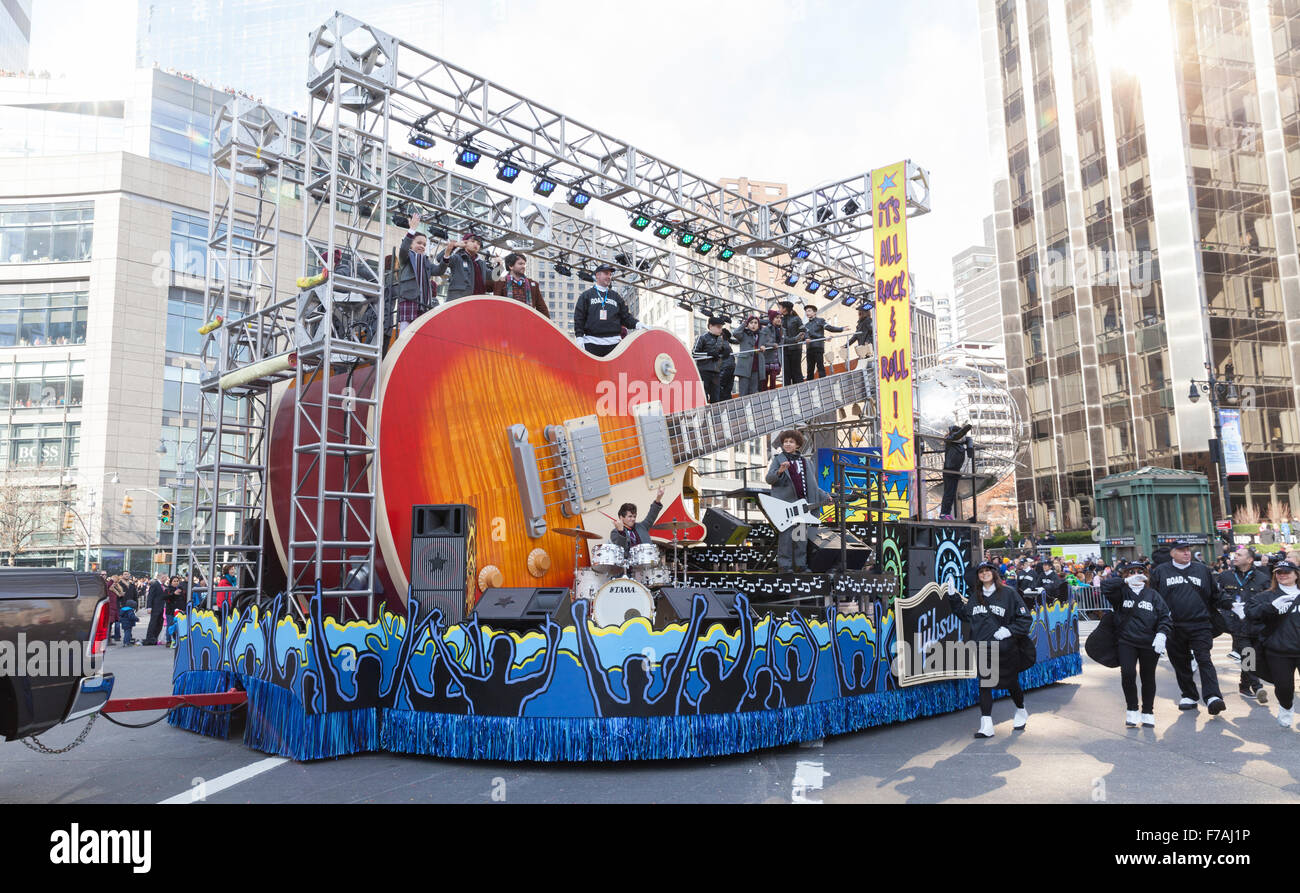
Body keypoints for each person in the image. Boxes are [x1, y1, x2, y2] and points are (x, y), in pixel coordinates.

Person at [946, 560, 1032, 738]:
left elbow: (1025, 618)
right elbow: (964, 615)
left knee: (1011, 683)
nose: (984, 574)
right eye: (981, 572)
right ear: (978, 576)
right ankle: (986, 725)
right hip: (983, 648)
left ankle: (1021, 709)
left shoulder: (1009, 593)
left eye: (988, 570)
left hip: (1005, 648)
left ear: (994, 573)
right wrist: (953, 595)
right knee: (984, 684)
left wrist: (1009, 630)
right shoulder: (976, 596)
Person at [1151, 538, 1231, 714]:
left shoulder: (1202, 570)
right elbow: (1154, 598)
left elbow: (1215, 594)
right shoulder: (1160, 572)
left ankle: (1213, 697)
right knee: (1180, 662)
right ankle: (1189, 694)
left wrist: (1230, 604)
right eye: (1181, 550)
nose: (1186, 553)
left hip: (1200, 623)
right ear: (1172, 553)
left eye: (1188, 549)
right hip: (1173, 626)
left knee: (1204, 658)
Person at [1102, 560, 1173, 728]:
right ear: (1126, 575)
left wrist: (1162, 634)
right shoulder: (1121, 593)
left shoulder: (1153, 595)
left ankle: (1148, 711)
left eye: (1139, 572)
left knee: (1148, 677)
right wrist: (1124, 582)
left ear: (1146, 575)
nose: (1136, 575)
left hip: (1149, 642)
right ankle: (1132, 710)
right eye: (1131, 572)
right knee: (1127, 674)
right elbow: (1105, 587)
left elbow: (1164, 616)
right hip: (1126, 641)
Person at [765, 429, 827, 574]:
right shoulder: (778, 459)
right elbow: (769, 479)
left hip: (803, 506)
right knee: (786, 537)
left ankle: (800, 565)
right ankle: (784, 566)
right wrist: (779, 471)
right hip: (786, 505)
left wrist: (825, 497)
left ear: (797, 444)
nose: (787, 444)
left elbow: (813, 485)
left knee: (801, 537)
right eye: (785, 441)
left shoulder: (805, 461)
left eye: (791, 442)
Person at [1246, 561, 1300, 727]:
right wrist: (1270, 607)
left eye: (1286, 571)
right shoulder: (1266, 596)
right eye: (1278, 572)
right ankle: (1286, 707)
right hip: (1279, 651)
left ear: (1296, 574)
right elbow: (1250, 613)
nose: (1282, 575)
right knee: (1284, 687)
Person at [1217, 547, 1270, 704]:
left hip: (1255, 624)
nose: (1235, 557)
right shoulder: (1225, 576)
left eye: (1239, 555)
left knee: (1253, 655)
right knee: (1247, 653)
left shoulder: (1262, 578)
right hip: (1235, 624)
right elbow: (1217, 596)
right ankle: (1257, 686)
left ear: (1249, 560)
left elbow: (1267, 600)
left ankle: (1244, 685)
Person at [573, 264, 638, 357]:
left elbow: (626, 317)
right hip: (592, 343)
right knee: (592, 371)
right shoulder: (586, 295)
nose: (609, 277)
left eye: (610, 274)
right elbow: (579, 317)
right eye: (606, 274)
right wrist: (579, 337)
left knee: (616, 371)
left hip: (614, 344)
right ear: (598, 275)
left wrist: (637, 324)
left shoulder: (616, 296)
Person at [392, 210, 439, 332]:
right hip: (408, 296)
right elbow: (403, 249)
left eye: (424, 244)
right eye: (419, 243)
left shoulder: (426, 261)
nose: (422, 246)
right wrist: (411, 229)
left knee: (419, 332)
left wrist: (447, 254)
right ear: (411, 244)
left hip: (423, 300)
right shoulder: (406, 257)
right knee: (405, 329)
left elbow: (439, 270)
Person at [431, 231, 498, 301]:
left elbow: (493, 277)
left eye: (478, 244)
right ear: (465, 243)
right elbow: (440, 258)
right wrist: (454, 246)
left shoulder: (481, 263)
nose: (476, 244)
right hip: (458, 299)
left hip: (478, 301)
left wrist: (499, 265)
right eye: (472, 241)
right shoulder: (458, 258)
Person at [609, 489, 666, 560]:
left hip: (648, 562)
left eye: (634, 516)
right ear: (621, 517)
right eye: (630, 516)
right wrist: (621, 532)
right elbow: (621, 551)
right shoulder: (615, 532)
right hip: (630, 568)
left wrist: (658, 498)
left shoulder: (642, 526)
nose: (633, 519)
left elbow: (652, 515)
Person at [491, 253, 550, 318]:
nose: (523, 266)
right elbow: (495, 305)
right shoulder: (501, 282)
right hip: (507, 323)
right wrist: (499, 266)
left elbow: (542, 308)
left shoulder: (533, 284)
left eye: (524, 264)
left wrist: (549, 326)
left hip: (527, 323)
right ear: (511, 266)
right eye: (520, 264)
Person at [939, 425, 974, 521]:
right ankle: (943, 513)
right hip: (949, 470)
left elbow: (969, 439)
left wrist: (970, 447)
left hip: (956, 470)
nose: (963, 437)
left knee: (952, 492)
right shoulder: (950, 440)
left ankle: (947, 512)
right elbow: (957, 436)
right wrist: (965, 429)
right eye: (962, 435)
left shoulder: (960, 442)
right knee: (948, 492)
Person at [802, 304, 846, 380]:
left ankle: (823, 383)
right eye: (806, 311)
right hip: (809, 348)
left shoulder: (820, 321)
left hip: (818, 347)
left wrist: (841, 329)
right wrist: (824, 338)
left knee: (820, 366)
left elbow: (830, 328)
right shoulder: (806, 325)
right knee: (810, 368)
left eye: (809, 311)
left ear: (814, 312)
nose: (807, 313)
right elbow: (805, 336)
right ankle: (809, 385)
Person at [692, 317, 729, 404]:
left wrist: (726, 352)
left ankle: (715, 417)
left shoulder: (721, 340)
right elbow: (693, 354)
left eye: (721, 327)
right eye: (718, 327)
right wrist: (708, 354)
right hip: (703, 372)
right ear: (710, 326)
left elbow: (721, 354)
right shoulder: (702, 338)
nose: (720, 330)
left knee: (716, 399)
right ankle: (703, 417)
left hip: (716, 372)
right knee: (703, 397)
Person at [732, 316, 766, 397]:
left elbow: (767, 343)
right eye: (751, 323)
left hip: (756, 366)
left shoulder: (762, 334)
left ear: (758, 324)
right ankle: (742, 409)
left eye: (755, 323)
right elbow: (735, 333)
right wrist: (744, 323)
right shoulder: (743, 334)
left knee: (754, 392)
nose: (753, 325)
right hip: (744, 366)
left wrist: (763, 346)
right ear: (748, 324)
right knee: (743, 393)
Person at [778, 301, 806, 386]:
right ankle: (787, 394)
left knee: (796, 371)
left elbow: (803, 331)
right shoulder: (780, 319)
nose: (779, 309)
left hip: (796, 349)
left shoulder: (796, 319)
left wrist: (795, 339)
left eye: (780, 307)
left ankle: (801, 391)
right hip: (785, 349)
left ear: (785, 309)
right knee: (786, 372)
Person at [141, 572, 168, 646]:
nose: (166, 579)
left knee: (160, 623)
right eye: (165, 577)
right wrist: (149, 607)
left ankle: (155, 637)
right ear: (162, 577)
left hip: (162, 607)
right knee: (153, 623)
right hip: (155, 607)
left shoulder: (164, 586)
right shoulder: (155, 584)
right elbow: (150, 596)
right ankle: (149, 638)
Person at [759, 309, 782, 391]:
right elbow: (762, 343)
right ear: (772, 319)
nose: (779, 319)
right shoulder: (765, 329)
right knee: (764, 383)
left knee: (773, 382)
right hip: (766, 360)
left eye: (780, 317)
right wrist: (772, 345)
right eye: (776, 317)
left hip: (775, 359)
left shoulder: (779, 330)